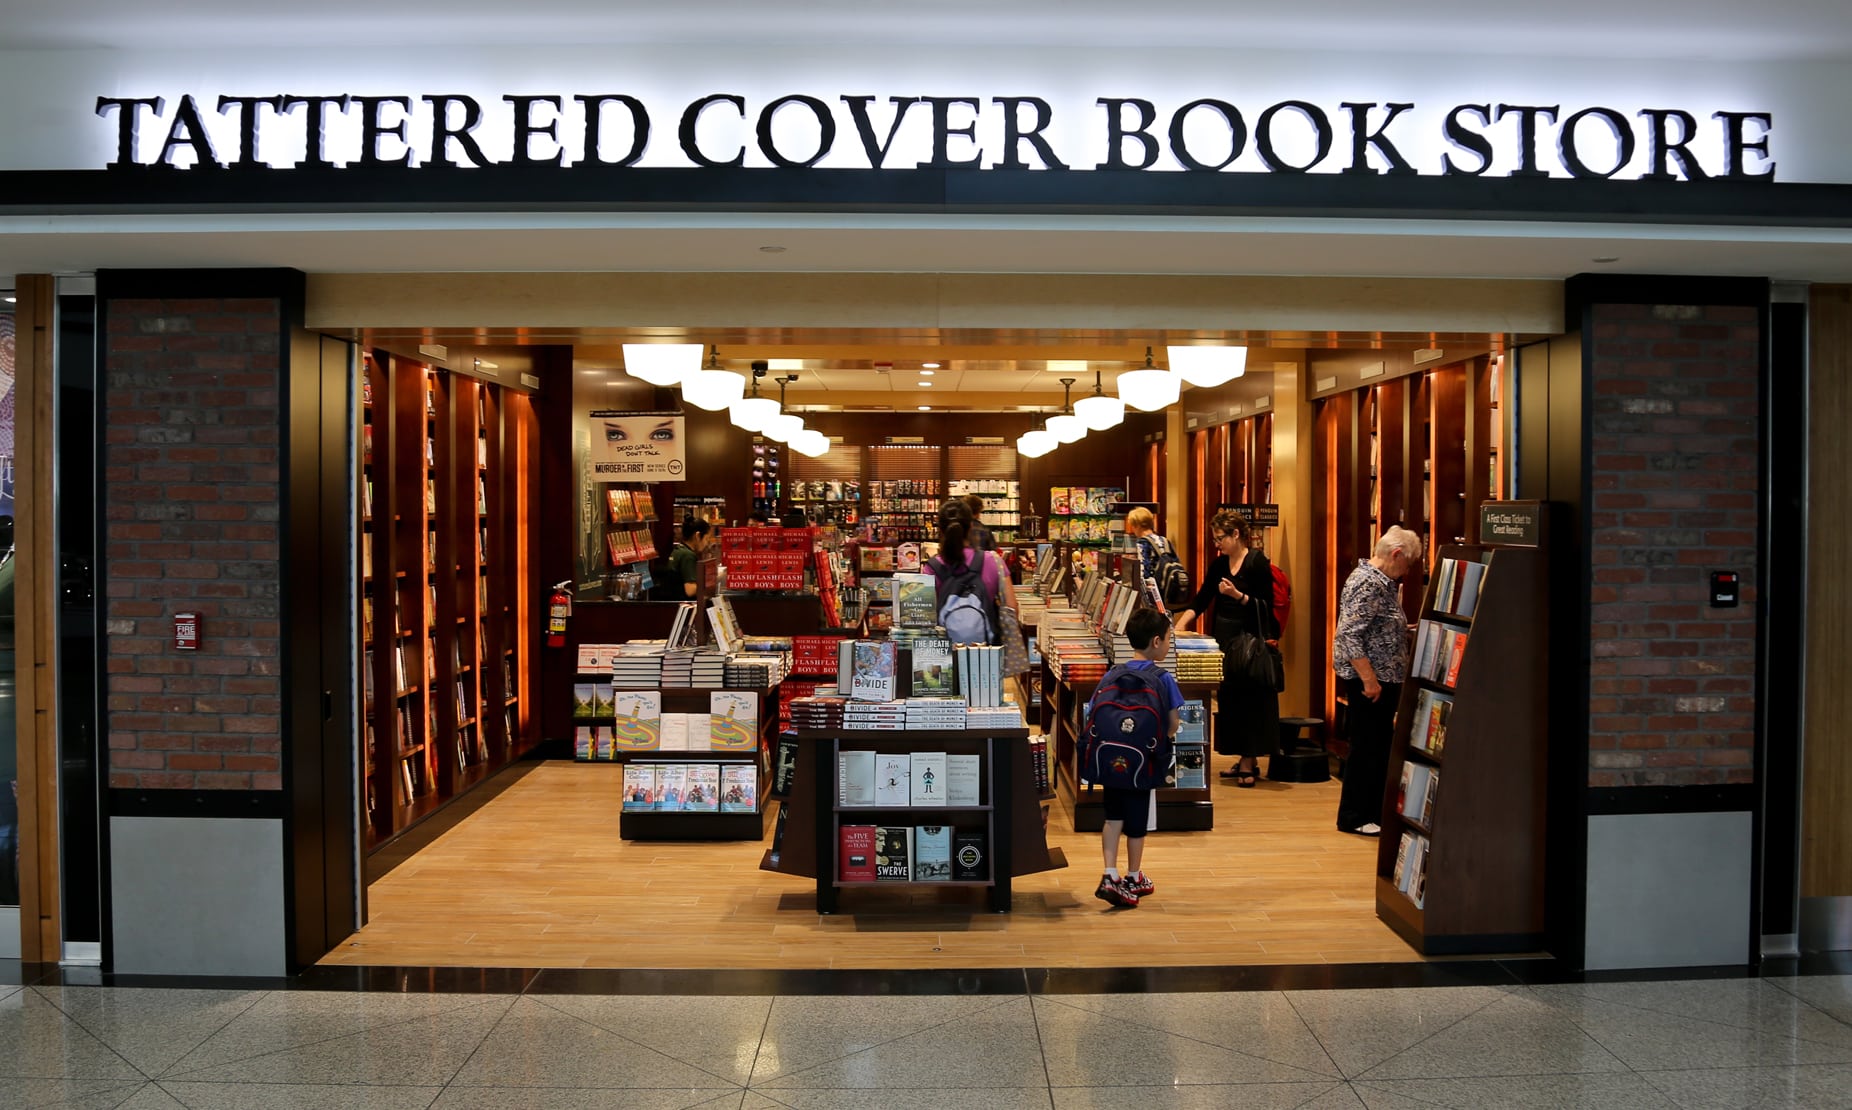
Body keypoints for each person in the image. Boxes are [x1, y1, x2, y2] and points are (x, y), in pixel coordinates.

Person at [1171, 510, 1278, 788]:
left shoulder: (1256, 563)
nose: (1217, 544)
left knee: (1250, 699)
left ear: (1236, 535)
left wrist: (1237, 596)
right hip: (1224, 639)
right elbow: (1203, 597)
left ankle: (1247, 762)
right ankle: (1244, 758)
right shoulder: (1219, 565)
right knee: (1230, 699)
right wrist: (1181, 623)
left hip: (1250, 642)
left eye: (1221, 538)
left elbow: (1267, 605)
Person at [1333, 526, 1424, 836]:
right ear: (1396, 555)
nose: (1408, 571)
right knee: (1367, 748)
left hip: (1380, 678)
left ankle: (1371, 812)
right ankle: (1355, 816)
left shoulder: (1380, 582)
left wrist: (1399, 629)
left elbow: (1371, 626)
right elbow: (1348, 634)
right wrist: (1369, 681)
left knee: (1377, 747)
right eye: (1408, 563)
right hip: (1372, 683)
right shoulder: (1369, 583)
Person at [1091, 607, 1184, 909]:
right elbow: (1172, 724)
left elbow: (1094, 712)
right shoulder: (1163, 678)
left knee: (1113, 817)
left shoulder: (1112, 674)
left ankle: (1109, 873)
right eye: (1169, 638)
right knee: (1137, 822)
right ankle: (1133, 876)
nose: (1169, 643)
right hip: (1144, 762)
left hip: (1110, 761)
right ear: (1156, 641)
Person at [926, 498, 1017, 639]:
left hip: (944, 652)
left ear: (941, 529)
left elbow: (924, 616)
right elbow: (1011, 608)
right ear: (970, 527)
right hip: (987, 652)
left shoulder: (932, 567)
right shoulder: (993, 561)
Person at [661, 518, 711, 599]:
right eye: (706, 539)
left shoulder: (679, 549)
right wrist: (710, 584)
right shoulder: (688, 555)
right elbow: (690, 590)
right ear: (698, 536)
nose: (707, 544)